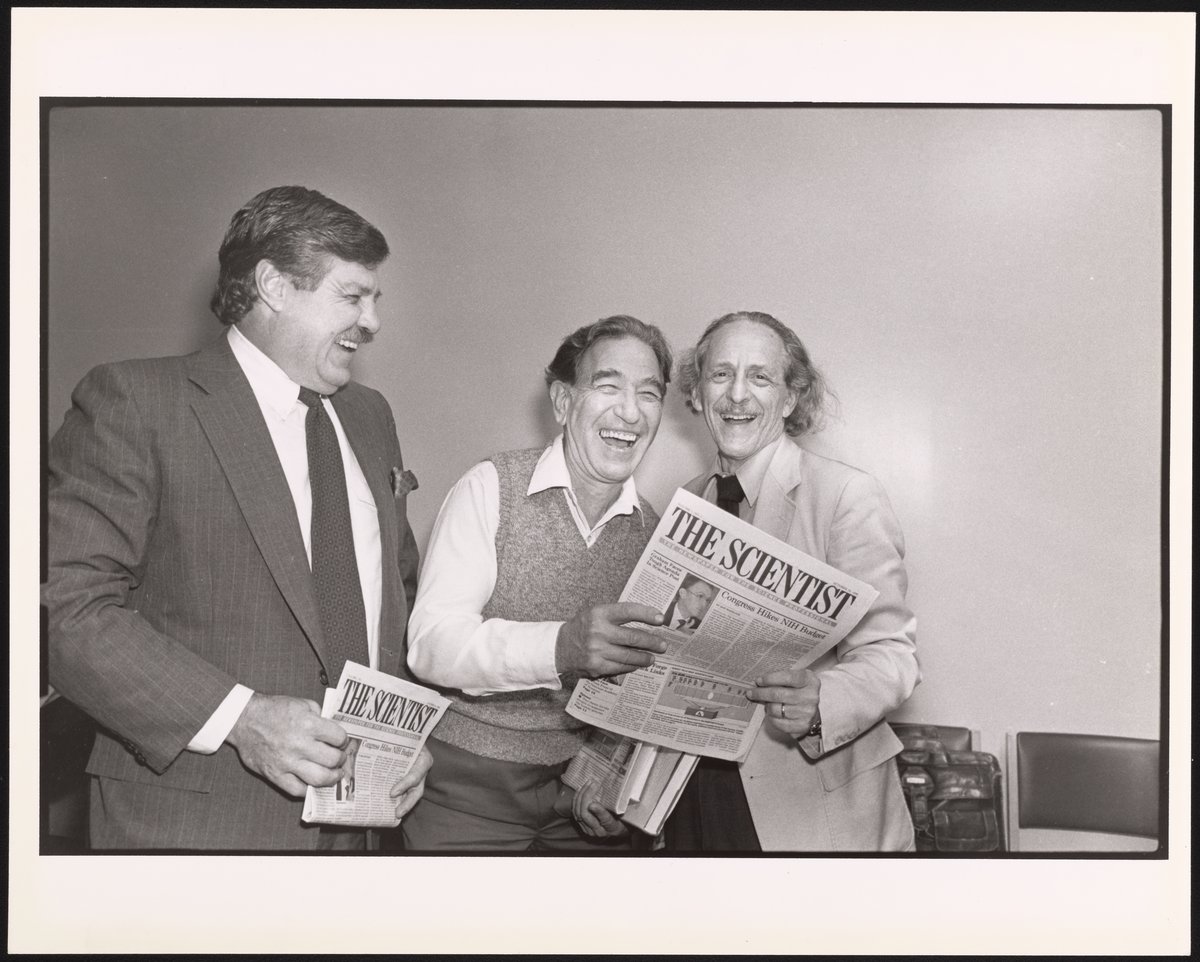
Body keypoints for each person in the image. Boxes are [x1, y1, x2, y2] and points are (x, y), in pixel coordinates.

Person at [43, 185, 430, 851]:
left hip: (360, 825)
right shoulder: (135, 402)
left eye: (375, 299)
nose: (372, 321)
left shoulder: (371, 417)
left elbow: (396, 591)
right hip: (197, 821)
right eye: (351, 295)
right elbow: (67, 613)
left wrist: (406, 740)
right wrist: (241, 718)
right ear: (275, 285)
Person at [403, 315, 672, 851]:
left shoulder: (656, 531)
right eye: (608, 385)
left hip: (577, 796)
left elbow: (638, 689)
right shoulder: (489, 487)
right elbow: (431, 647)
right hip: (467, 789)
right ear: (563, 402)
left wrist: (605, 773)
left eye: (649, 393)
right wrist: (560, 647)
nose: (630, 410)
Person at [667, 310, 919, 851]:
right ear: (696, 393)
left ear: (790, 398)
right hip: (694, 794)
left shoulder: (846, 496)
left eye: (759, 377)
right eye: (720, 375)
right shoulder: (686, 502)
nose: (737, 395)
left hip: (809, 805)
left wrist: (823, 699)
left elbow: (894, 655)